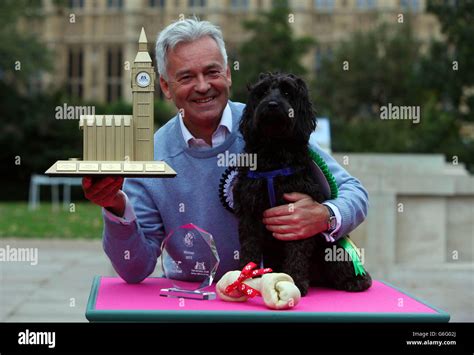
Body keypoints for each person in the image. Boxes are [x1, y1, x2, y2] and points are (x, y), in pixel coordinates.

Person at [82, 18, 369, 283]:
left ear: (228, 74)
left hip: (279, 296)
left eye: (212, 72)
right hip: (196, 303)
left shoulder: (271, 123)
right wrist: (116, 208)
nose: (203, 86)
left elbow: (354, 193)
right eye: (186, 77)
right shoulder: (150, 154)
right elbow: (134, 268)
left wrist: (325, 215)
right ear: (165, 87)